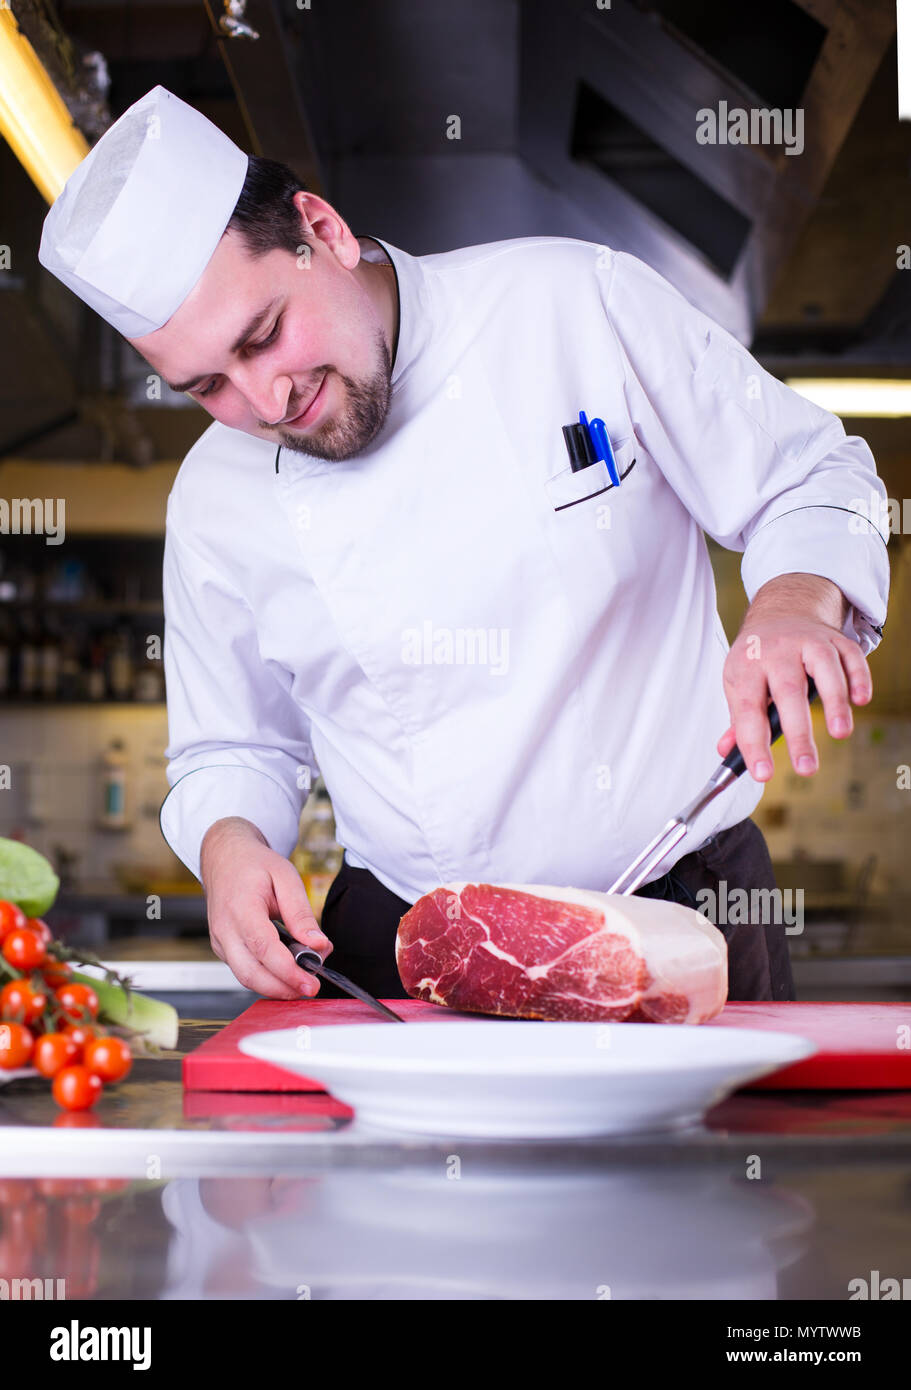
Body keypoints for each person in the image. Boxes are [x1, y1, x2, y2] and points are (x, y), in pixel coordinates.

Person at [38, 87, 890, 1003]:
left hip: (686, 911)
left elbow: (808, 474)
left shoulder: (572, 302)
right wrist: (230, 842)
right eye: (208, 384)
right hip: (410, 944)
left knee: (720, 1154)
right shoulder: (212, 500)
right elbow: (230, 747)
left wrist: (796, 601)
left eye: (265, 334)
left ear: (319, 229)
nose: (265, 401)